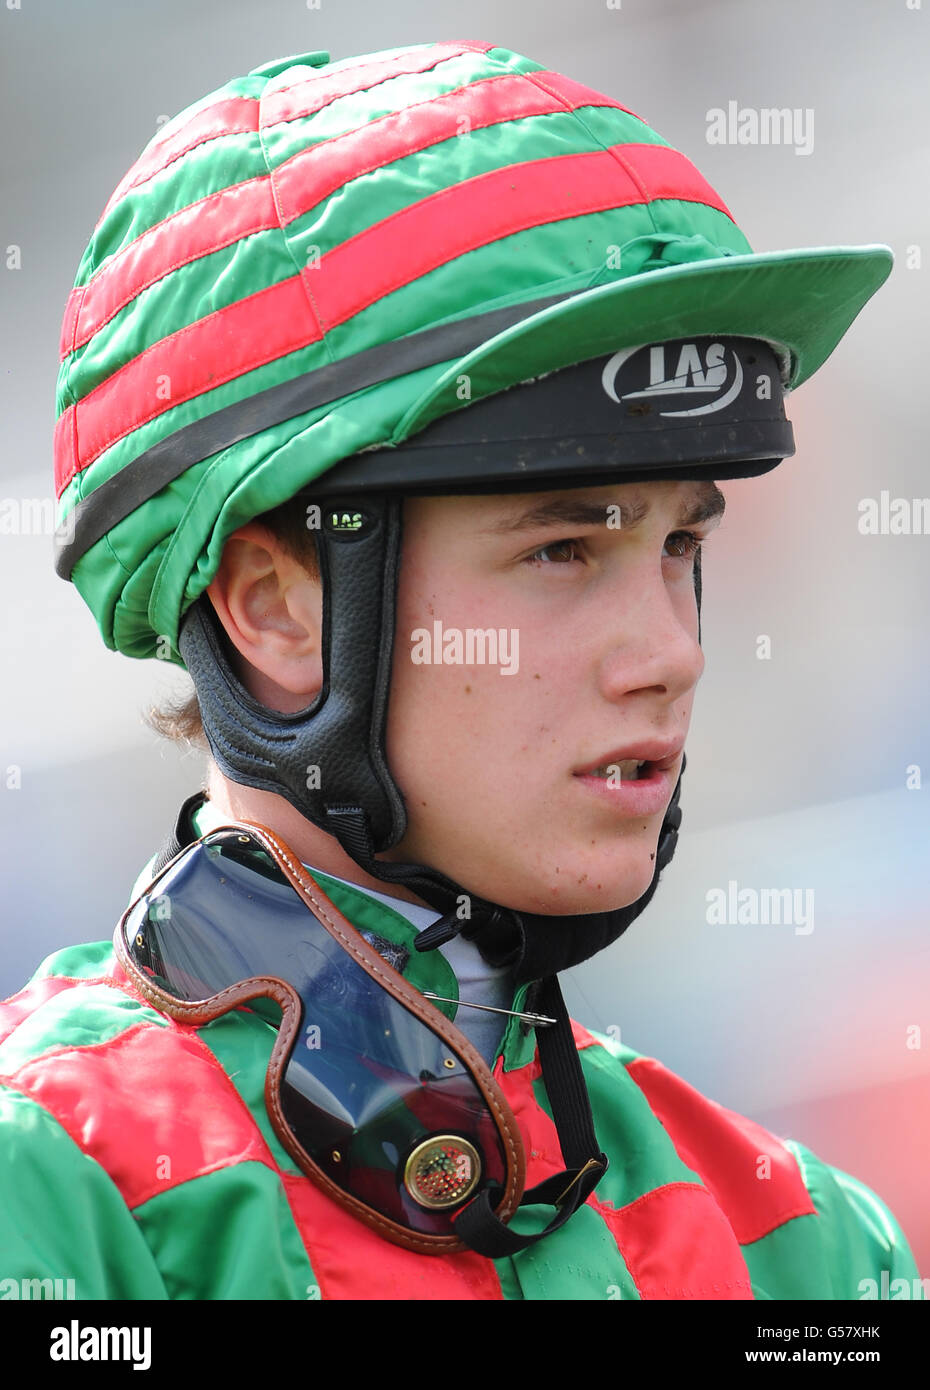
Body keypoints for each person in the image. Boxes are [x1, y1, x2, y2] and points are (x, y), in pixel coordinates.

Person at [0, 40, 920, 1300]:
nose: (673, 652)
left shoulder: (806, 1244)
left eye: (680, 543)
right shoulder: (47, 1192)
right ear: (273, 605)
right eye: (559, 549)